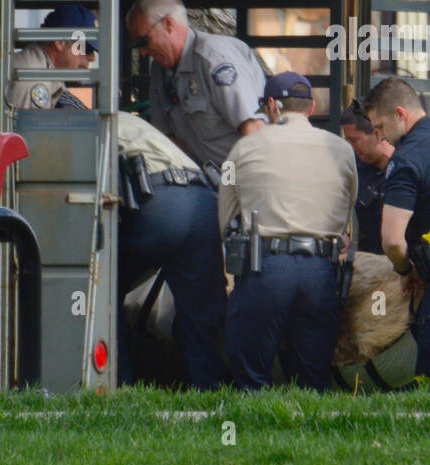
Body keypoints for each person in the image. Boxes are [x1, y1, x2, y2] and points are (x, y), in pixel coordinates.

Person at [220, 72, 357, 391]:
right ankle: (311, 436)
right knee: (313, 381)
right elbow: (348, 210)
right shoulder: (342, 149)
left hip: (263, 267)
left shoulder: (244, 148)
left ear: (272, 106)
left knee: (251, 377)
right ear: (310, 109)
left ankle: (251, 435)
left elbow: (227, 217)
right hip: (320, 272)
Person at [116, 112, 227, 389]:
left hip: (157, 202)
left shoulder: (84, 125)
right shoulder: (131, 122)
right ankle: (212, 394)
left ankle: (116, 388)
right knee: (200, 313)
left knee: (99, 292)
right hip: (203, 201)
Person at [363, 76, 430, 380]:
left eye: (380, 127)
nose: (379, 137)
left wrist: (405, 270)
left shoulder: (405, 160)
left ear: (400, 114)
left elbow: (391, 240)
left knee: (429, 372)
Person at [127, 0, 265, 169]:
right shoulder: (159, 71)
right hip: (202, 180)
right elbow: (166, 141)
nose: (143, 52)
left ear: (168, 24)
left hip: (240, 177)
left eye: (143, 41)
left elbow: (255, 131)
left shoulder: (214, 59)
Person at [0, 4, 97, 110]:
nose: (91, 58)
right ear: (60, 42)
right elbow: (28, 148)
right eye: (85, 47)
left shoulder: (40, 69)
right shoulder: (32, 77)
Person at [339, 98, 394, 255]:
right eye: (347, 140)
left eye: (354, 140)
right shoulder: (353, 167)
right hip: (369, 258)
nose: (350, 146)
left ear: (377, 134)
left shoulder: (405, 166)